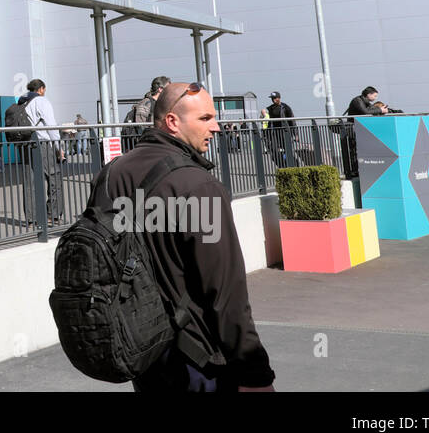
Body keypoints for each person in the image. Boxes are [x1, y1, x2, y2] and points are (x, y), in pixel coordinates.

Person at [101, 81, 275, 393]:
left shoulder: (113, 173)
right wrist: (255, 375)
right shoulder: (199, 187)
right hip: (196, 359)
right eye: (205, 118)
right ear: (172, 121)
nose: (217, 127)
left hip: (141, 351)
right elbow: (226, 294)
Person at [22, 79, 66, 225]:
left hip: (28, 144)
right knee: (54, 178)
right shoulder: (41, 101)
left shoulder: (22, 102)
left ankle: (31, 218)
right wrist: (59, 147)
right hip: (44, 144)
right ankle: (52, 215)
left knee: (31, 182)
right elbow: (51, 126)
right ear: (41, 89)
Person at [342, 86, 388, 179]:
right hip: (352, 129)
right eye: (374, 96)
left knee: (358, 150)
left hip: (358, 129)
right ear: (369, 94)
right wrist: (380, 110)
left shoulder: (365, 102)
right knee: (353, 150)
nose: (375, 98)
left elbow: (371, 109)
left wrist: (383, 110)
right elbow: (365, 112)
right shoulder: (357, 101)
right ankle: (353, 172)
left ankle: (358, 170)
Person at [123, 76, 169, 150]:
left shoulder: (159, 103)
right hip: (148, 143)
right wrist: (148, 139)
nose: (169, 91)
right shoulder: (146, 103)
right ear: (160, 89)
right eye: (168, 88)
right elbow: (140, 123)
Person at [265, 91, 294, 166]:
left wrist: (295, 133)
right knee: (274, 150)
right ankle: (281, 165)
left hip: (285, 131)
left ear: (279, 98)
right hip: (274, 132)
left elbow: (292, 120)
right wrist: (267, 133)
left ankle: (290, 165)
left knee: (287, 149)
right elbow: (269, 121)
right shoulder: (270, 108)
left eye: (275, 98)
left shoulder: (285, 107)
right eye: (272, 98)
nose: (273, 100)